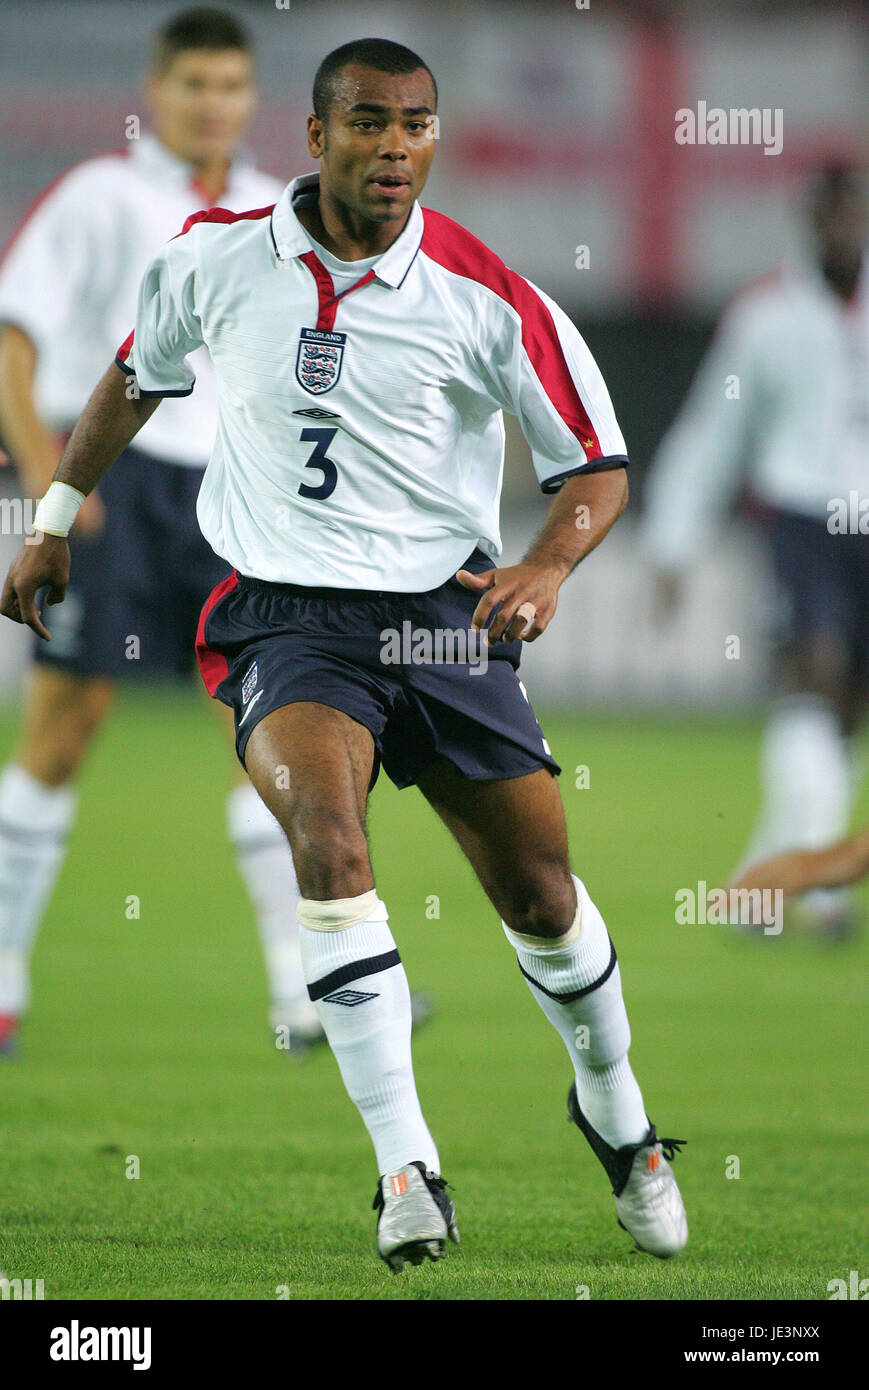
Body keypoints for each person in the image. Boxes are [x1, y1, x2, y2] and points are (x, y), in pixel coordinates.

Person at [2, 37, 687, 1270]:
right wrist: (52, 519)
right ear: (313, 137)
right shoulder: (215, 254)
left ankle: (620, 1116)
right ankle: (405, 1168)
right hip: (283, 614)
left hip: (439, 617)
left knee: (540, 901)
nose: (393, 148)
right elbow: (128, 379)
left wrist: (543, 566)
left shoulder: (490, 295)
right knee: (329, 838)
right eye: (367, 123)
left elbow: (596, 467)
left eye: (415, 126)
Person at [0, 7, 327, 1054]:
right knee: (64, 728)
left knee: (269, 733)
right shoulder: (103, 195)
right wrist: (54, 482)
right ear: (156, 88)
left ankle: (300, 993)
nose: (212, 103)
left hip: (231, 494)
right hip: (114, 480)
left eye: (230, 86)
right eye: (193, 84)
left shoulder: (276, 210)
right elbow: (15, 337)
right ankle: (3, 969)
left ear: (250, 97)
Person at [641, 165, 869, 939]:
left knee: (845, 713)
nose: (845, 232)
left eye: (855, 217)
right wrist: (673, 539)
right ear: (809, 223)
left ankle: (764, 882)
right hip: (801, 519)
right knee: (814, 677)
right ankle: (824, 896)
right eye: (832, 218)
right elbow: (715, 428)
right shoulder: (765, 313)